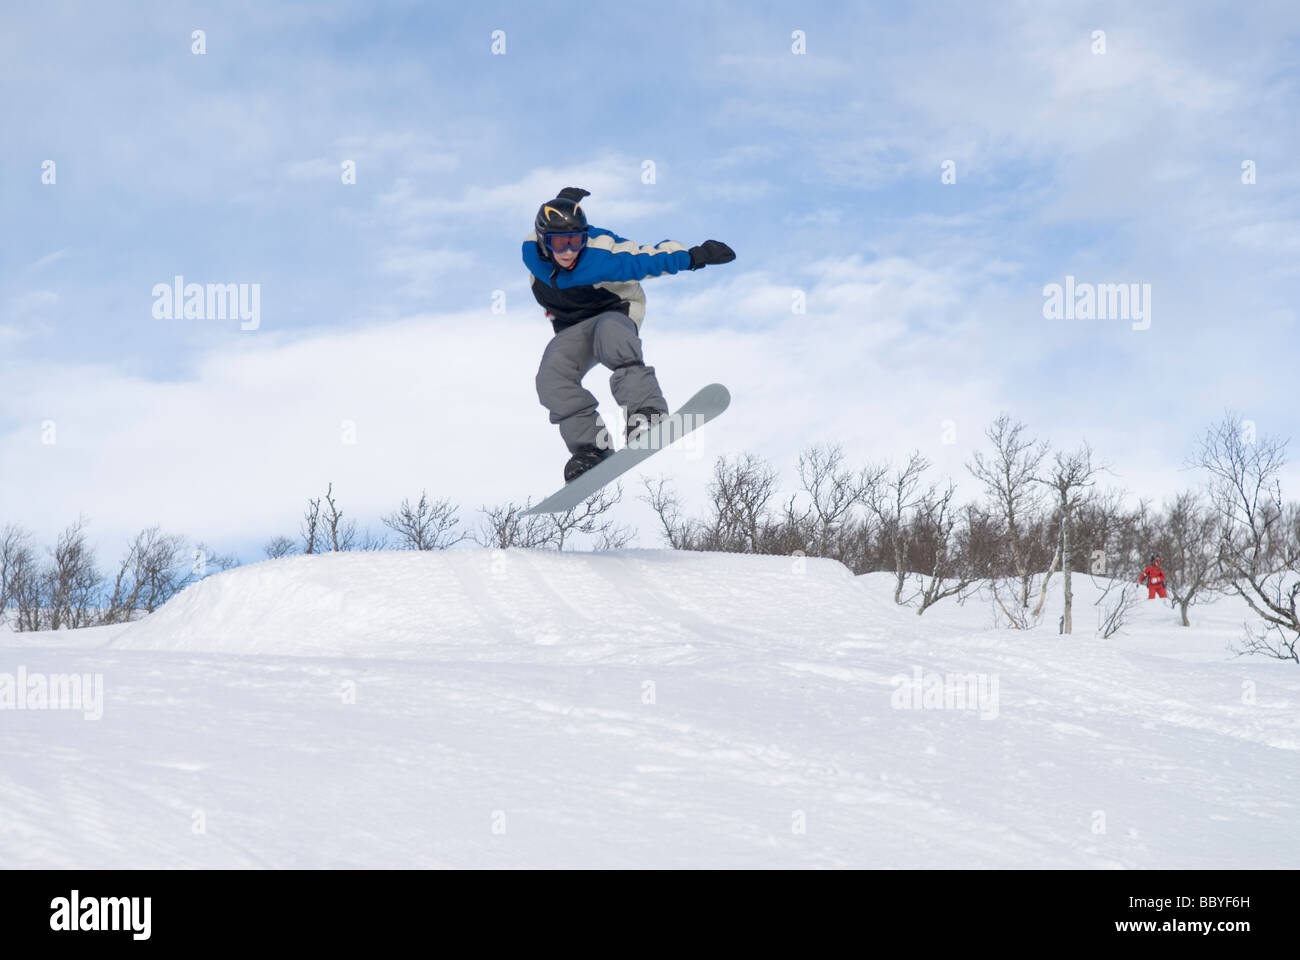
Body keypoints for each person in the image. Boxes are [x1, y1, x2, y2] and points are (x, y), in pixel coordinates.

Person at [522, 187, 735, 482]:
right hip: (573, 327)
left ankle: (646, 414)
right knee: (551, 377)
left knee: (613, 338)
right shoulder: (530, 252)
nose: (569, 250)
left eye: (575, 241)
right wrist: (566, 202)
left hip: (614, 312)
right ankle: (591, 448)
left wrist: (695, 256)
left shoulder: (601, 257)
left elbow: (649, 259)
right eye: (560, 243)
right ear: (544, 242)